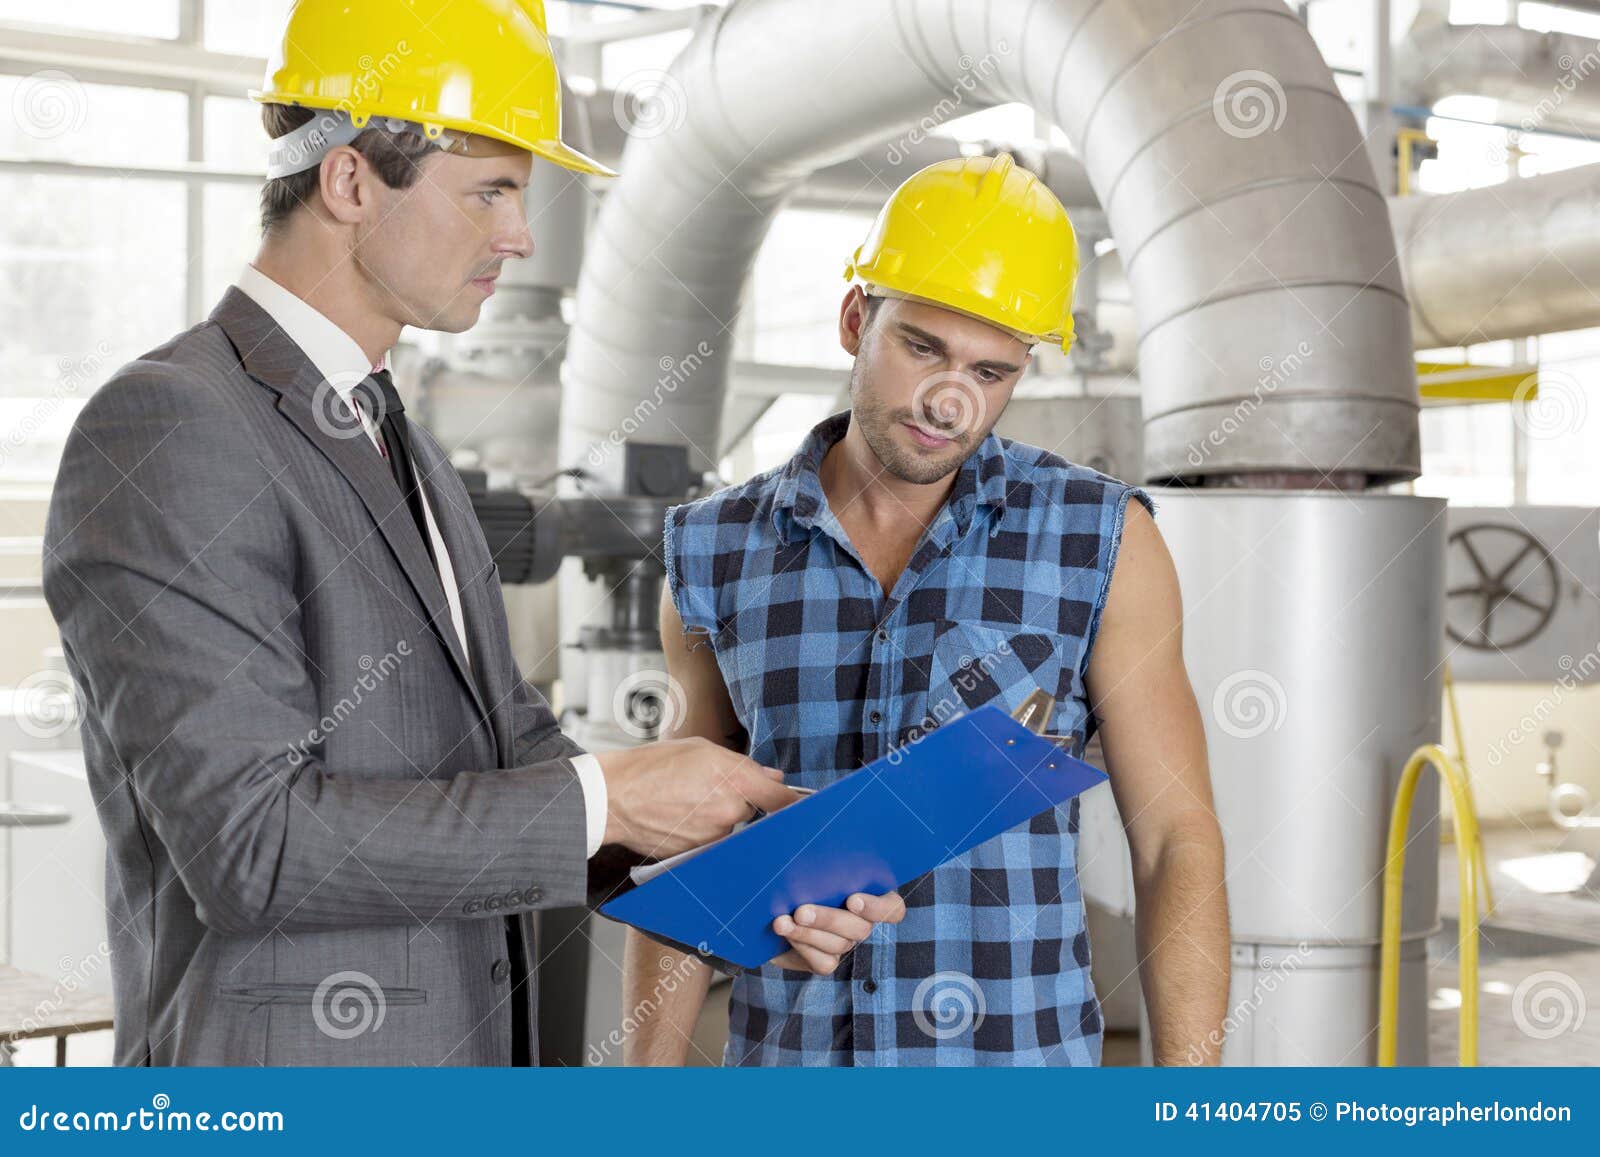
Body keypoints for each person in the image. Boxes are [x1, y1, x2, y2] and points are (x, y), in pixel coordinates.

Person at [41, 0, 900, 1067]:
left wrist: (729, 864)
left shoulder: (396, 436)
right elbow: (252, 844)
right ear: (351, 181)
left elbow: (505, 748)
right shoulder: (175, 424)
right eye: (490, 190)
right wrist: (608, 795)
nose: (521, 236)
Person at [623, 153, 1229, 1066]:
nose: (951, 402)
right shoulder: (714, 550)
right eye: (923, 348)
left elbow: (1174, 841)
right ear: (854, 319)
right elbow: (683, 851)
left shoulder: (1100, 539)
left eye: (991, 371)